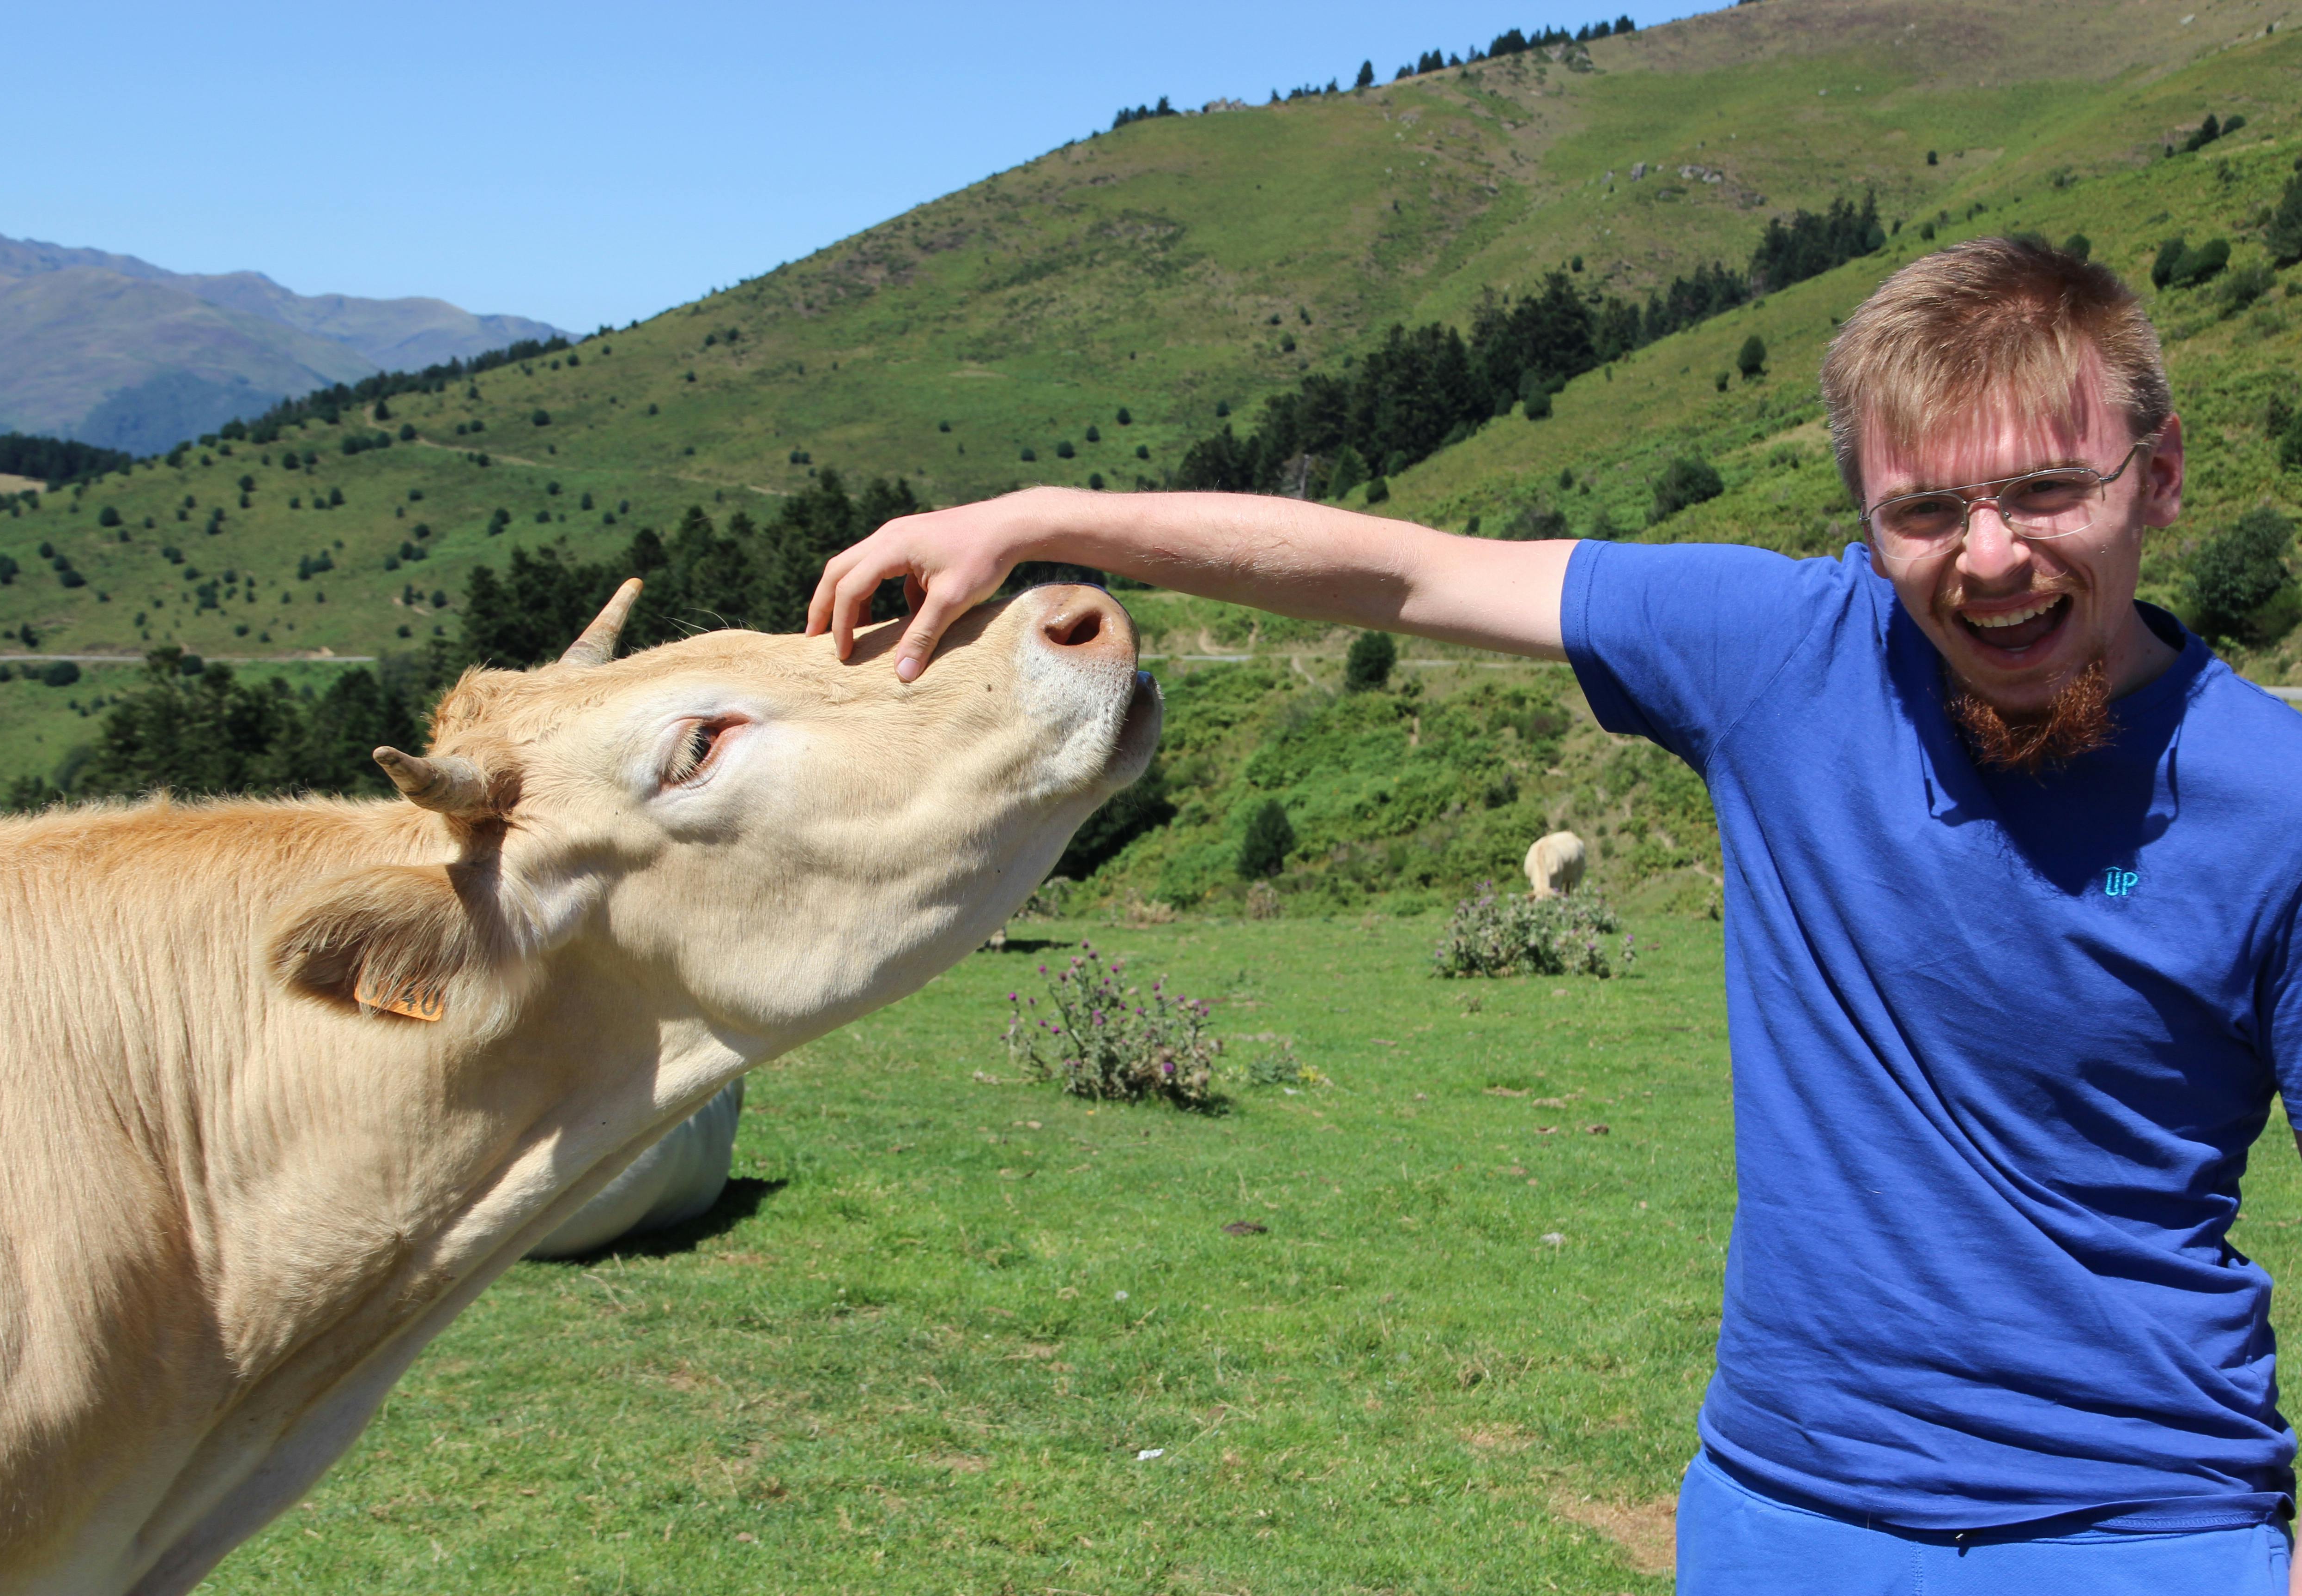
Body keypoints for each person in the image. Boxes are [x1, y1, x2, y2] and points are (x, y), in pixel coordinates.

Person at [808, 236, 2302, 1593]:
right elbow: (1399, 569)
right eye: (1923, 510)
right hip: (1788, 1519)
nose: (1987, 559)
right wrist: (1029, 523)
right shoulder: (1784, 657)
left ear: (2158, 478)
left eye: (2049, 490)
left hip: (2146, 1531)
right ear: (1866, 517)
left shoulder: (2279, 801)